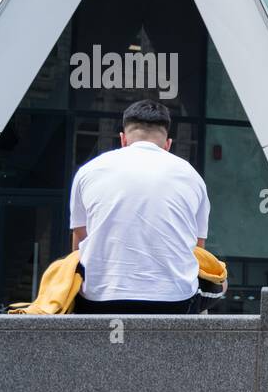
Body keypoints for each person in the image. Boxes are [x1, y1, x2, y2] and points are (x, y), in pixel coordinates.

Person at [68, 100, 210, 314]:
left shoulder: (88, 171)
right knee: (219, 282)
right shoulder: (192, 176)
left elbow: (80, 240)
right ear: (168, 144)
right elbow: (198, 249)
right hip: (173, 300)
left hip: (99, 299)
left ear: (123, 139)